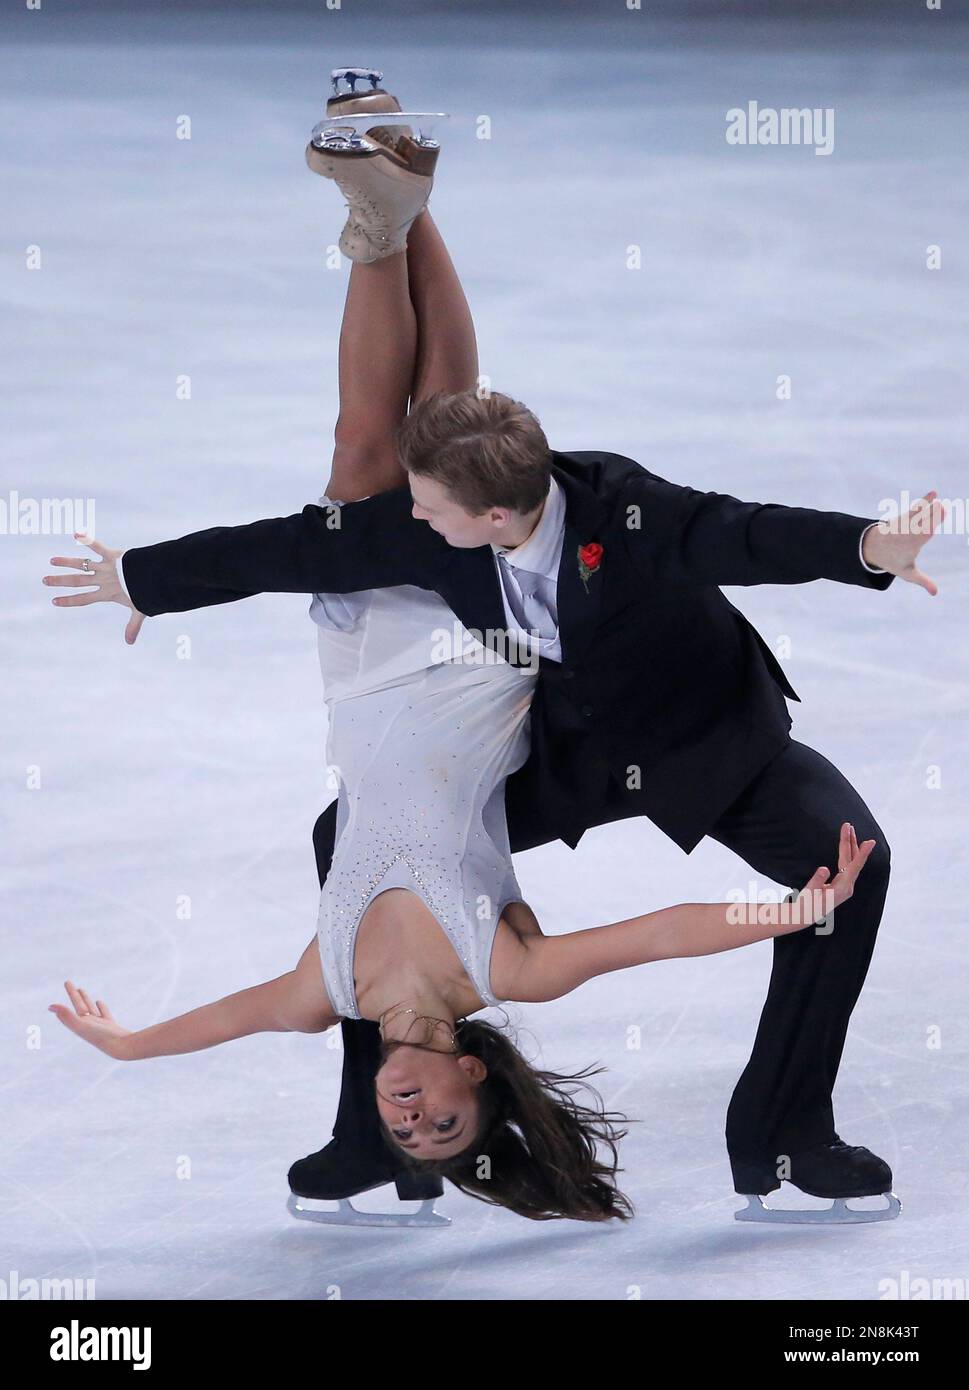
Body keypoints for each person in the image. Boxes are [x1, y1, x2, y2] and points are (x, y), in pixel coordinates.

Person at [44, 67, 944, 1222]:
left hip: (691, 736)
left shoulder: (617, 507)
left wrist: (870, 544)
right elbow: (301, 546)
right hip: (529, 735)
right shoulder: (448, 528)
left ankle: (782, 1128)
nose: (421, 513)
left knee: (850, 862)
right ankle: (390, 197)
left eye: (406, 1118)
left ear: (502, 508)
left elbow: (744, 533)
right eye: (429, 1118)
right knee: (391, 462)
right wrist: (148, 580)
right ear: (471, 1073)